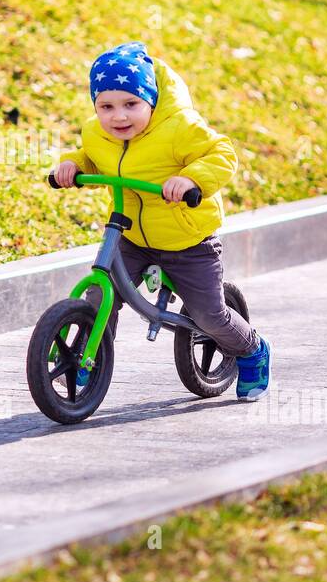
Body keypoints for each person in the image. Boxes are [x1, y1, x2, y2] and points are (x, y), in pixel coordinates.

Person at [51, 41, 272, 401]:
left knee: (209, 316)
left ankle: (252, 350)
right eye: (106, 106)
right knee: (99, 297)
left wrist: (191, 179)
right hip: (133, 235)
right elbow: (90, 156)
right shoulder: (96, 132)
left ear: (151, 101)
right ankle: (86, 360)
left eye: (131, 105)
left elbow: (221, 152)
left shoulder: (179, 128)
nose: (118, 117)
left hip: (187, 240)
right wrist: (73, 166)